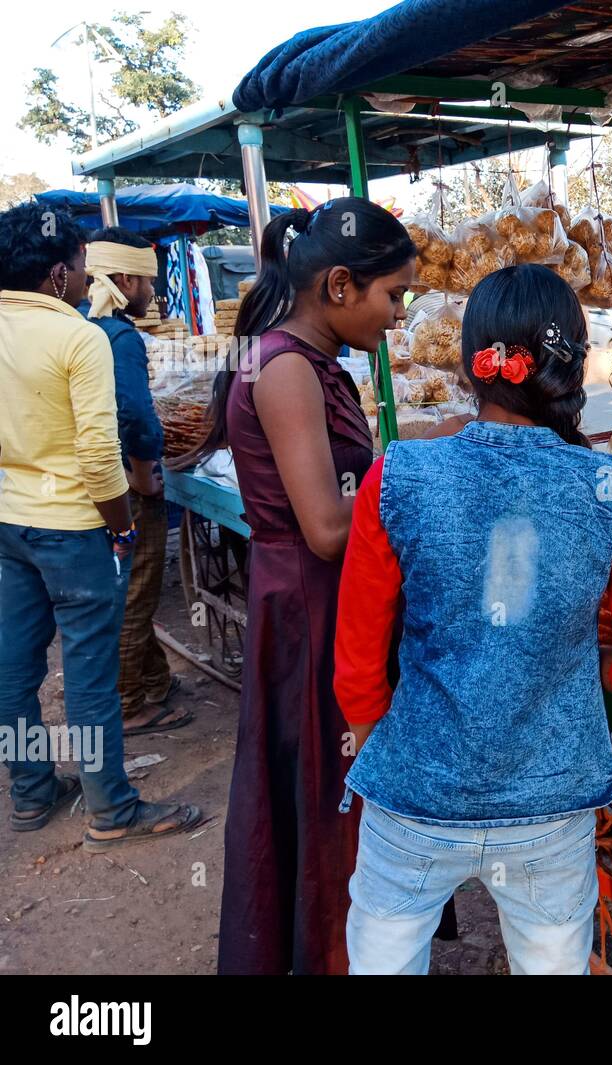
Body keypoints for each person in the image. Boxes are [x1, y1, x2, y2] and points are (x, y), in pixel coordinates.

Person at [334, 263, 612, 976]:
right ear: (573, 365)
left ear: (472, 364)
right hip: (551, 807)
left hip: (416, 791)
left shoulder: (394, 476)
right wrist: (567, 673)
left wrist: (377, 737)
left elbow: (358, 667)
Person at [178, 198, 417, 975]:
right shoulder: (285, 368)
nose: (399, 315)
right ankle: (332, 952)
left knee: (325, 793)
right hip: (312, 607)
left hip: (318, 602)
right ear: (342, 284)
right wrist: (416, 473)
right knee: (325, 796)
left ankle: (342, 946)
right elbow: (325, 524)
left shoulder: (312, 363)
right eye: (394, 295)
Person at [0, 201, 201, 847]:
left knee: (12, 670)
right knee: (89, 672)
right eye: (83, 269)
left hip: (8, 521)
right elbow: (97, 451)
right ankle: (110, 806)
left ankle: (31, 792)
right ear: (58, 274)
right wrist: (119, 526)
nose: (90, 282)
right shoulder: (77, 336)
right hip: (72, 525)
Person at [83, 227, 190, 736]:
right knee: (138, 590)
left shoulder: (83, 324)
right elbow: (136, 416)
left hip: (91, 484)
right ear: (125, 278)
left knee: (125, 586)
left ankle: (155, 679)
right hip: (128, 483)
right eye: (147, 280)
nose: (153, 291)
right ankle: (129, 704)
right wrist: (147, 475)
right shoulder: (120, 337)